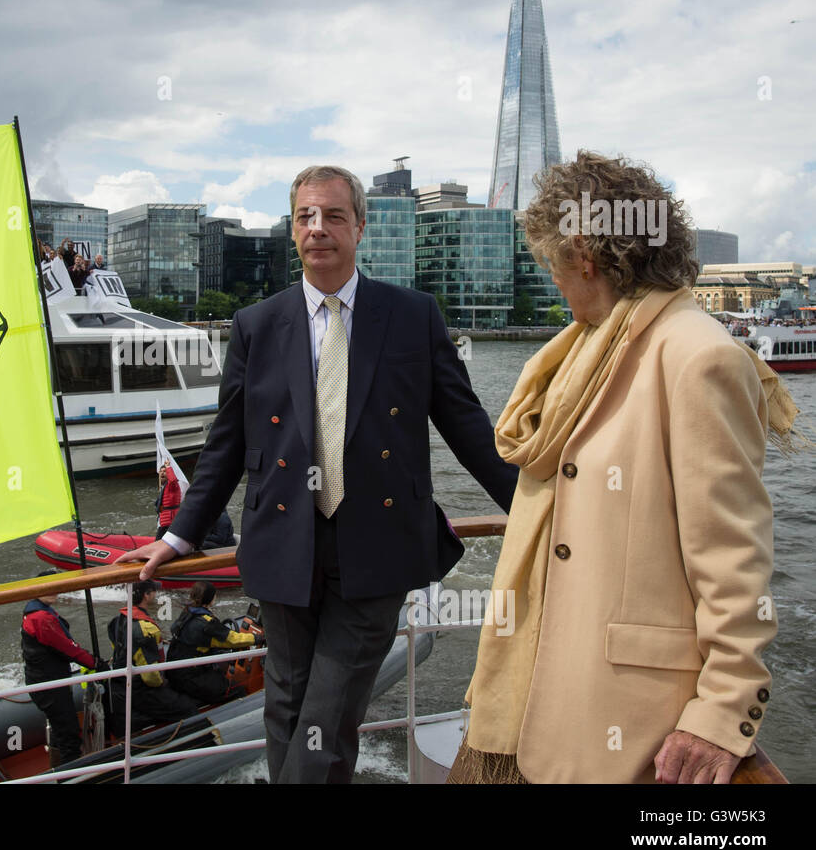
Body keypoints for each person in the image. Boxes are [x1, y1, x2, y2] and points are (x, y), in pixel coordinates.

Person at [117, 165, 517, 783]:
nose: (318, 229)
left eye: (333, 216)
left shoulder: (412, 316)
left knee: (324, 718)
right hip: (283, 545)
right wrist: (179, 536)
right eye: (305, 216)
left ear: (360, 226)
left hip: (378, 547)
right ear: (293, 231)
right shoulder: (256, 325)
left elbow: (466, 428)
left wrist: (529, 506)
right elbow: (227, 444)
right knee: (286, 710)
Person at [448, 151, 797, 784]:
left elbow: (733, 560)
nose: (551, 277)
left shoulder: (698, 357)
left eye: (550, 260)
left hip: (630, 715)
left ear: (581, 255)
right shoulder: (588, 345)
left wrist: (723, 713)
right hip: (551, 690)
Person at [20, 570, 106, 768]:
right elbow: (67, 648)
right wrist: (95, 663)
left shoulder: (35, 612)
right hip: (49, 686)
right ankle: (70, 774)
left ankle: (59, 766)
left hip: (45, 682)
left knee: (61, 731)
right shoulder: (41, 618)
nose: (54, 591)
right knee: (68, 734)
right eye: (47, 587)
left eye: (56, 586)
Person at [107, 580, 198, 730]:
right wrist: (162, 683)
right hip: (142, 689)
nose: (156, 594)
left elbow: (117, 648)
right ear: (146, 595)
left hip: (123, 683)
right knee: (188, 708)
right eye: (153, 591)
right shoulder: (144, 629)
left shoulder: (118, 620)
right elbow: (150, 675)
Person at [167, 581, 258, 705]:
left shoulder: (187, 612)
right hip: (189, 676)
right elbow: (233, 639)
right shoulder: (207, 623)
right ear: (210, 598)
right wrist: (257, 638)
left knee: (221, 670)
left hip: (175, 671)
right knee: (238, 690)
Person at [153, 462, 182, 540]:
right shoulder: (164, 487)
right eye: (161, 471)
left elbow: (173, 480)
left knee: (158, 543)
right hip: (165, 522)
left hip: (170, 522)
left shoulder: (172, 486)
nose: (162, 473)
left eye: (164, 471)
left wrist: (168, 467)